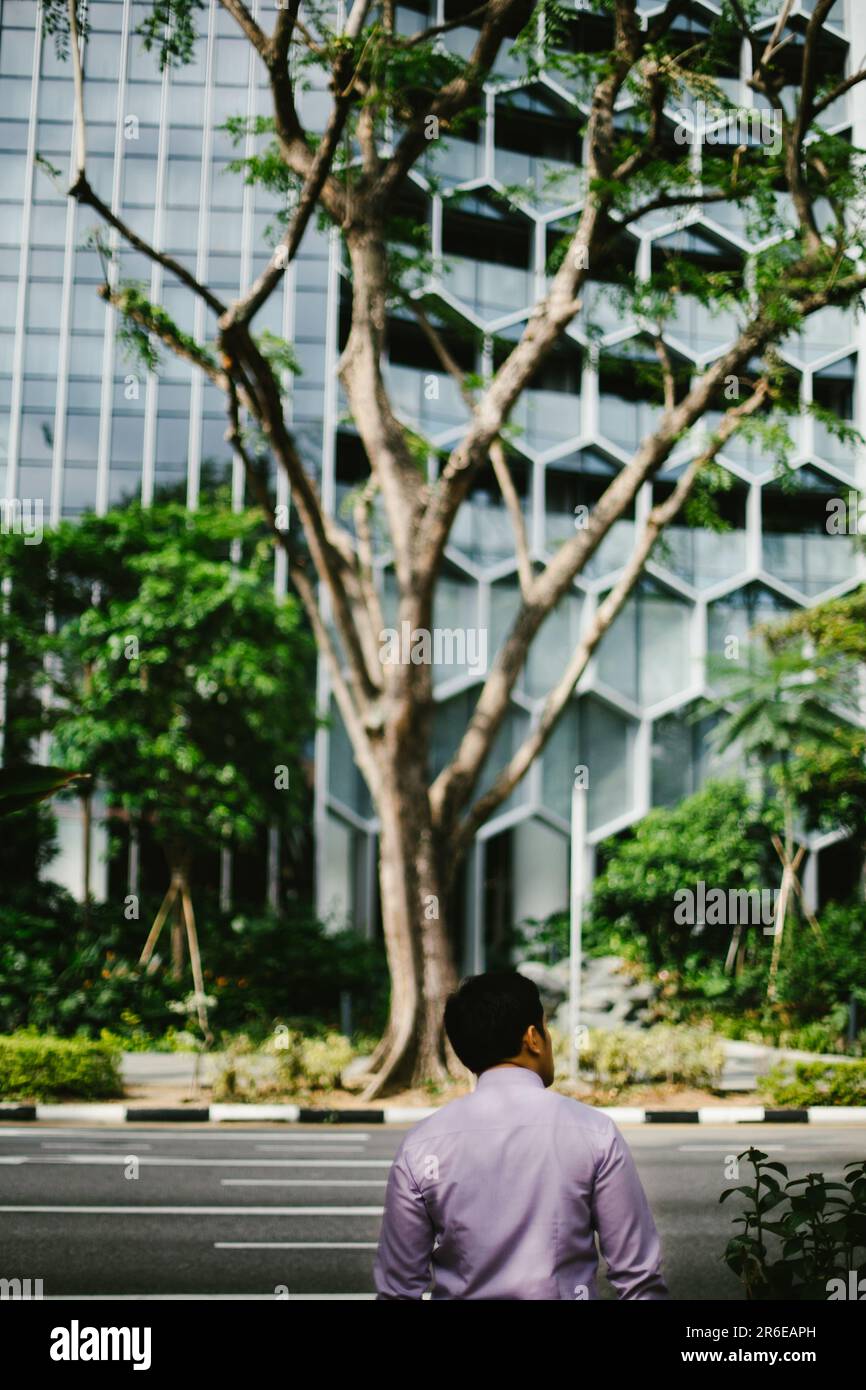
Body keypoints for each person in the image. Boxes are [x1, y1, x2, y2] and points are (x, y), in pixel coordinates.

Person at [374, 971, 669, 1300]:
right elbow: (639, 1280)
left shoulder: (421, 1145)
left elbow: (398, 1290)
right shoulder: (594, 1133)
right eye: (546, 1027)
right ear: (532, 1037)